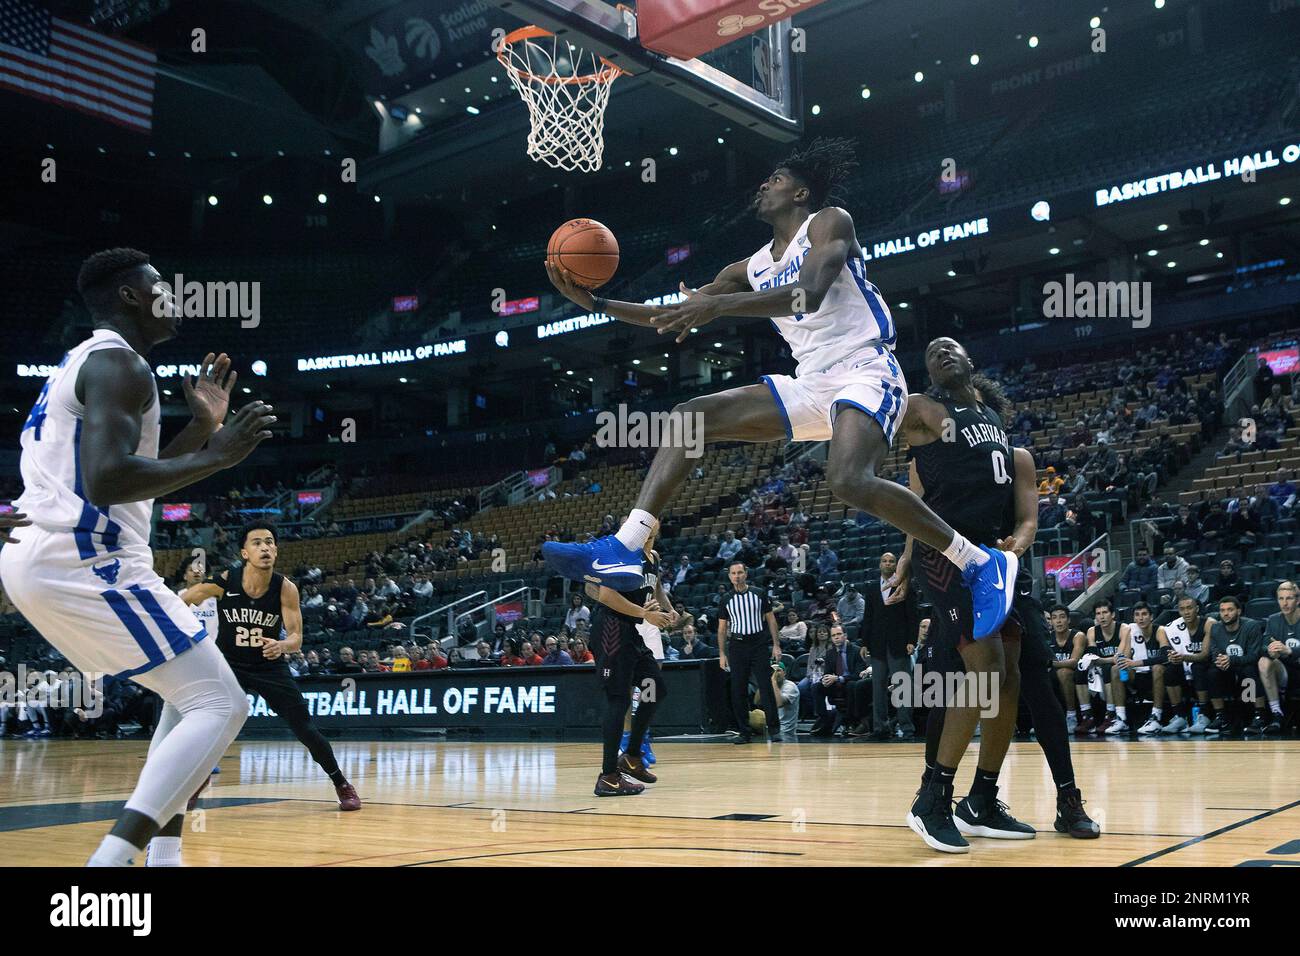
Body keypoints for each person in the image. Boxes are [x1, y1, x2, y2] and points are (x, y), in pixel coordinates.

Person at [540, 138, 1015, 640]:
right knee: (689, 416)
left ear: (801, 193)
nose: (764, 185)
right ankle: (628, 546)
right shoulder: (746, 268)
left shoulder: (829, 222)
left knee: (848, 480)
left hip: (864, 368)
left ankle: (981, 561)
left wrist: (719, 307)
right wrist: (599, 304)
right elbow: (674, 314)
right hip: (811, 382)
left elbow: (806, 295)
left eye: (777, 179)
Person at [0, 248, 274, 867]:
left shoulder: (87, 361)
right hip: (84, 557)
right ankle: (113, 861)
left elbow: (129, 473)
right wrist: (220, 456)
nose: (171, 296)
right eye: (159, 287)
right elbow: (107, 482)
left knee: (186, 697)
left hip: (51, 556)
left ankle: (166, 855)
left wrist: (201, 429)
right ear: (128, 296)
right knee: (223, 704)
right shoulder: (121, 366)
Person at [891, 339, 1097, 850]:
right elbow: (914, 499)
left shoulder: (1002, 438)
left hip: (992, 563)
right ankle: (932, 797)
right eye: (931, 350)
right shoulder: (924, 411)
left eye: (950, 346)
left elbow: (1028, 516)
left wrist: (1013, 549)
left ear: (972, 362)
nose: (939, 351)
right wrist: (906, 557)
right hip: (946, 556)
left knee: (1005, 676)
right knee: (979, 669)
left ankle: (982, 799)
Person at [173, 524, 362, 843]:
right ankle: (197, 780)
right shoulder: (226, 580)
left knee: (305, 728)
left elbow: (297, 637)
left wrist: (284, 645)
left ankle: (341, 782)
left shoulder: (285, 588)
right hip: (230, 664)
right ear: (245, 553)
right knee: (211, 723)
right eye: (257, 542)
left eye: (270, 542)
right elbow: (188, 598)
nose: (265, 547)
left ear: (275, 551)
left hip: (269, 666)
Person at [584, 521, 674, 796]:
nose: (649, 528)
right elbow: (606, 595)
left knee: (654, 687)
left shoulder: (653, 557)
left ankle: (632, 756)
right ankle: (608, 776)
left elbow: (655, 588)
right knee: (618, 700)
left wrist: (671, 611)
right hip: (610, 628)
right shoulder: (620, 554)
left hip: (631, 631)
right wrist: (645, 614)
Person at [718, 560, 782, 744]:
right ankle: (744, 732)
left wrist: (776, 645)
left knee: (766, 686)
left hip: (758, 644)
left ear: (746, 573)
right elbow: (722, 629)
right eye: (733, 573)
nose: (737, 576)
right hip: (737, 646)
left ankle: (774, 729)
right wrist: (722, 654)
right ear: (729, 576)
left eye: (740, 572)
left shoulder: (759, 593)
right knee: (738, 689)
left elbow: (771, 620)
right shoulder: (725, 599)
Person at [861, 551, 918, 740]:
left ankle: (907, 728)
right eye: (884, 561)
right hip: (877, 645)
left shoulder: (905, 585)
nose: (887, 563)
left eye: (891, 561)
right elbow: (867, 617)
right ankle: (881, 728)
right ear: (879, 565)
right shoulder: (871, 588)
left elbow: (912, 615)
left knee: (902, 686)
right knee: (878, 688)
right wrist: (864, 642)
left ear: (896, 565)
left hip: (899, 643)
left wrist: (912, 640)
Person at [1159, 595, 1214, 734]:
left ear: (1197, 608)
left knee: (1197, 667)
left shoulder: (1208, 623)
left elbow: (1205, 655)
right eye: (1182, 609)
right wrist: (1173, 657)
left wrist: (1182, 657)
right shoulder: (1174, 627)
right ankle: (1180, 717)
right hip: (1185, 665)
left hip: (1208, 664)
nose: (1186, 612)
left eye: (1189, 608)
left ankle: (1204, 715)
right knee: (1170, 669)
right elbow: (1168, 651)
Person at [1048, 605, 1088, 734]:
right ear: (1051, 621)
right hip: (1053, 673)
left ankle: (1071, 715)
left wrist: (1049, 663)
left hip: (1077, 674)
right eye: (1054, 618)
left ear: (1069, 620)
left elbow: (1074, 662)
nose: (1058, 621)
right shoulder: (1048, 637)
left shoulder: (1078, 636)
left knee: (1064, 672)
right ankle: (1045, 719)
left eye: (1062, 617)